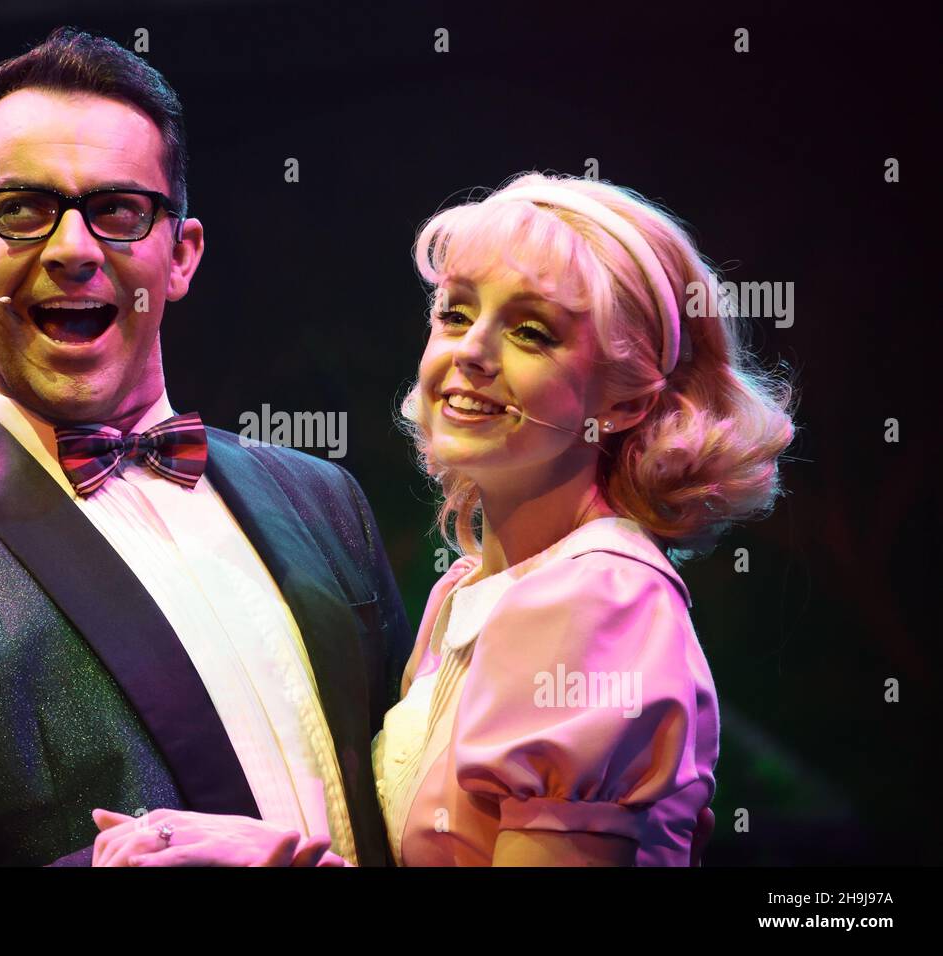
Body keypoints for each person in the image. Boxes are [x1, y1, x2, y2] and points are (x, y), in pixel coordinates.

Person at [0, 27, 410, 867]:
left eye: (115, 209)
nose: (72, 249)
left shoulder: (326, 502)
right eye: (23, 209)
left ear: (179, 255)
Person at [95, 171, 794, 866]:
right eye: (456, 313)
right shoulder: (469, 590)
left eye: (531, 330)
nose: (472, 351)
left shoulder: (595, 601)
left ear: (625, 404)